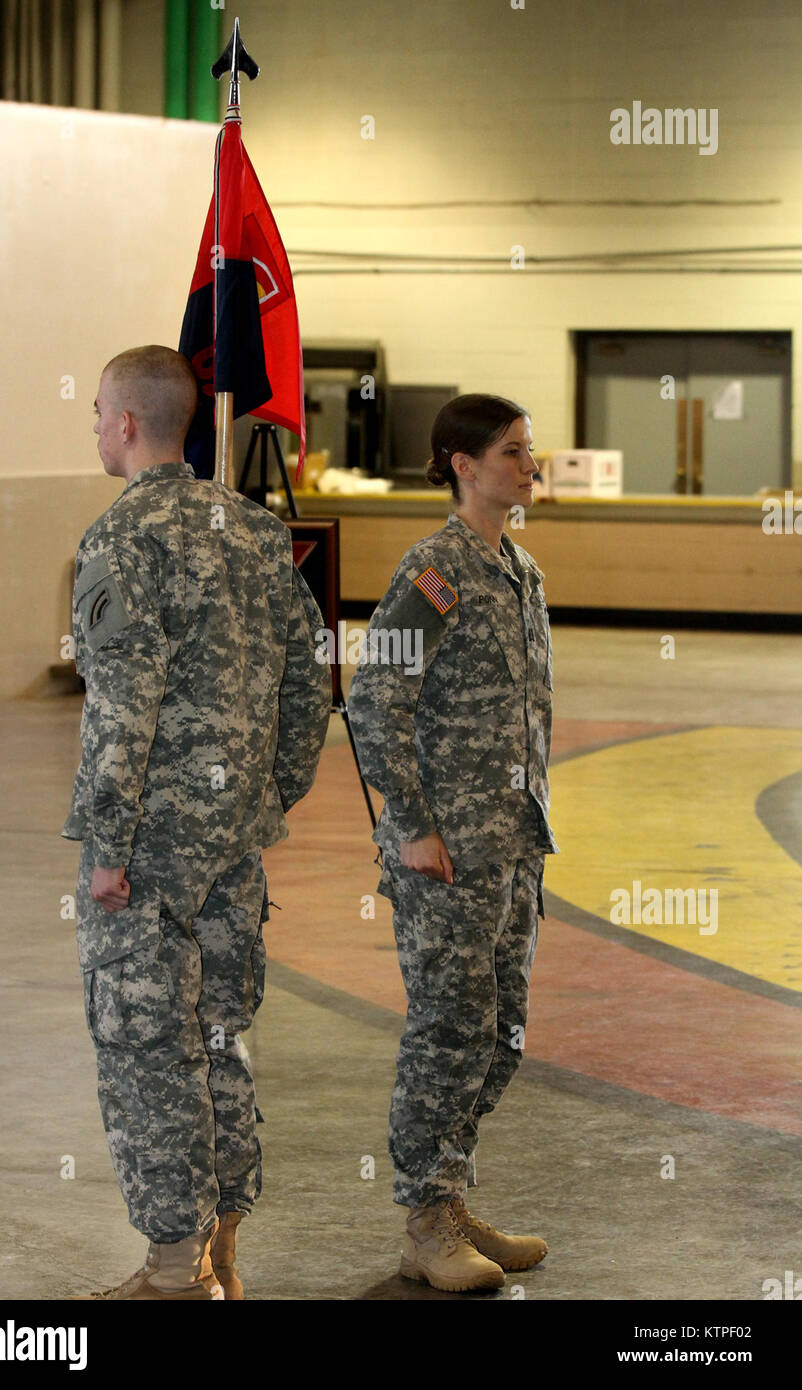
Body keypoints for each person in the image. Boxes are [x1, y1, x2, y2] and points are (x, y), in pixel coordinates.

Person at [63, 345, 330, 1300]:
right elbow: (310, 687)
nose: (94, 426)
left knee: (147, 1047)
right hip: (234, 849)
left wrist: (106, 842)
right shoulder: (258, 533)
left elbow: (121, 703)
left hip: (146, 855)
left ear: (128, 424)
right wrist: (265, 800)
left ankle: (174, 1274)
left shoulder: (120, 540)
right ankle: (224, 1258)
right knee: (222, 1039)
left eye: (97, 411)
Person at [348, 393, 558, 1294]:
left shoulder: (520, 569)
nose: (529, 464)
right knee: (446, 1033)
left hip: (512, 844)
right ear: (463, 465)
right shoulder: (436, 571)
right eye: (512, 452)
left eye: (528, 450)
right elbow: (372, 695)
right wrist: (413, 826)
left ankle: (453, 1196)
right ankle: (425, 1222)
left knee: (499, 1033)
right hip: (449, 853)